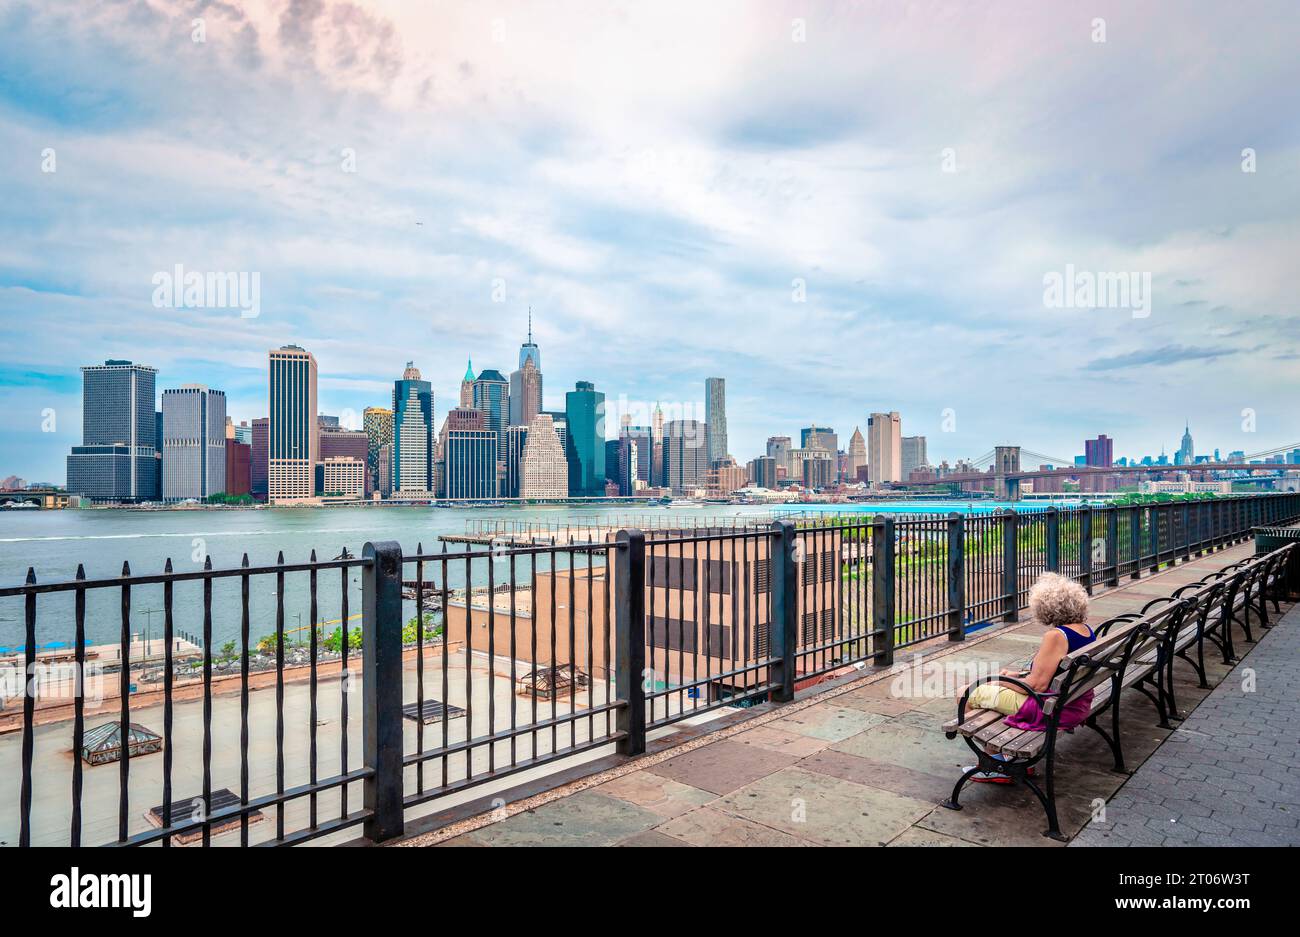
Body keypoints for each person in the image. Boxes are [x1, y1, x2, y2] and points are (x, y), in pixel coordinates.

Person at [962, 572, 1094, 783]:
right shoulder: (1085, 630)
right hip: (1074, 703)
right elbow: (1050, 673)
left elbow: (1036, 685)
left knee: (966, 694)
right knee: (987, 694)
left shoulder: (1056, 636)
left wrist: (999, 680)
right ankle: (1004, 757)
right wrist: (1016, 675)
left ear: (1046, 607)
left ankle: (998, 764)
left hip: (1048, 709)